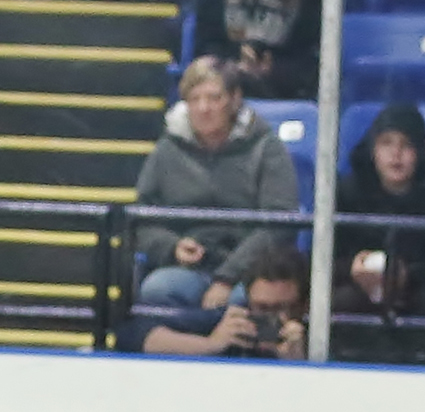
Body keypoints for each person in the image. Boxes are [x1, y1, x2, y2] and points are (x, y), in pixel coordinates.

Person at [133, 56, 298, 311]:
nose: (203, 108)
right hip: (186, 267)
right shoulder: (167, 149)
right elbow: (143, 218)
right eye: (194, 99)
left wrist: (227, 277)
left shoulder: (267, 147)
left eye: (214, 98)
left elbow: (279, 222)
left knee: (241, 301)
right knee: (157, 290)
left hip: (252, 270)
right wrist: (172, 247)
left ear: (234, 99)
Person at [330, 101, 425, 363]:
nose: (396, 154)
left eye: (406, 145)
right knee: (342, 301)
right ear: (373, 150)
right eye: (386, 143)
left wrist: (407, 274)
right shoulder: (347, 193)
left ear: (420, 151)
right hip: (359, 290)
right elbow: (322, 258)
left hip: (420, 293)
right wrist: (352, 267)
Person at [120, 245, 307, 359]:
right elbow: (132, 334)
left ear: (303, 304)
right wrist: (211, 345)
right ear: (248, 299)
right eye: (262, 307)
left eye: (282, 307)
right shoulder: (234, 321)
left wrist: (301, 363)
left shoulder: (329, 332)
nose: (270, 317)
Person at [193, 0, 319, 100]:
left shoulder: (310, 5)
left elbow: (313, 62)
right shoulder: (212, 4)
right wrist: (235, 64)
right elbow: (205, 50)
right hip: (223, 89)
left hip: (290, 95)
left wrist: (271, 68)